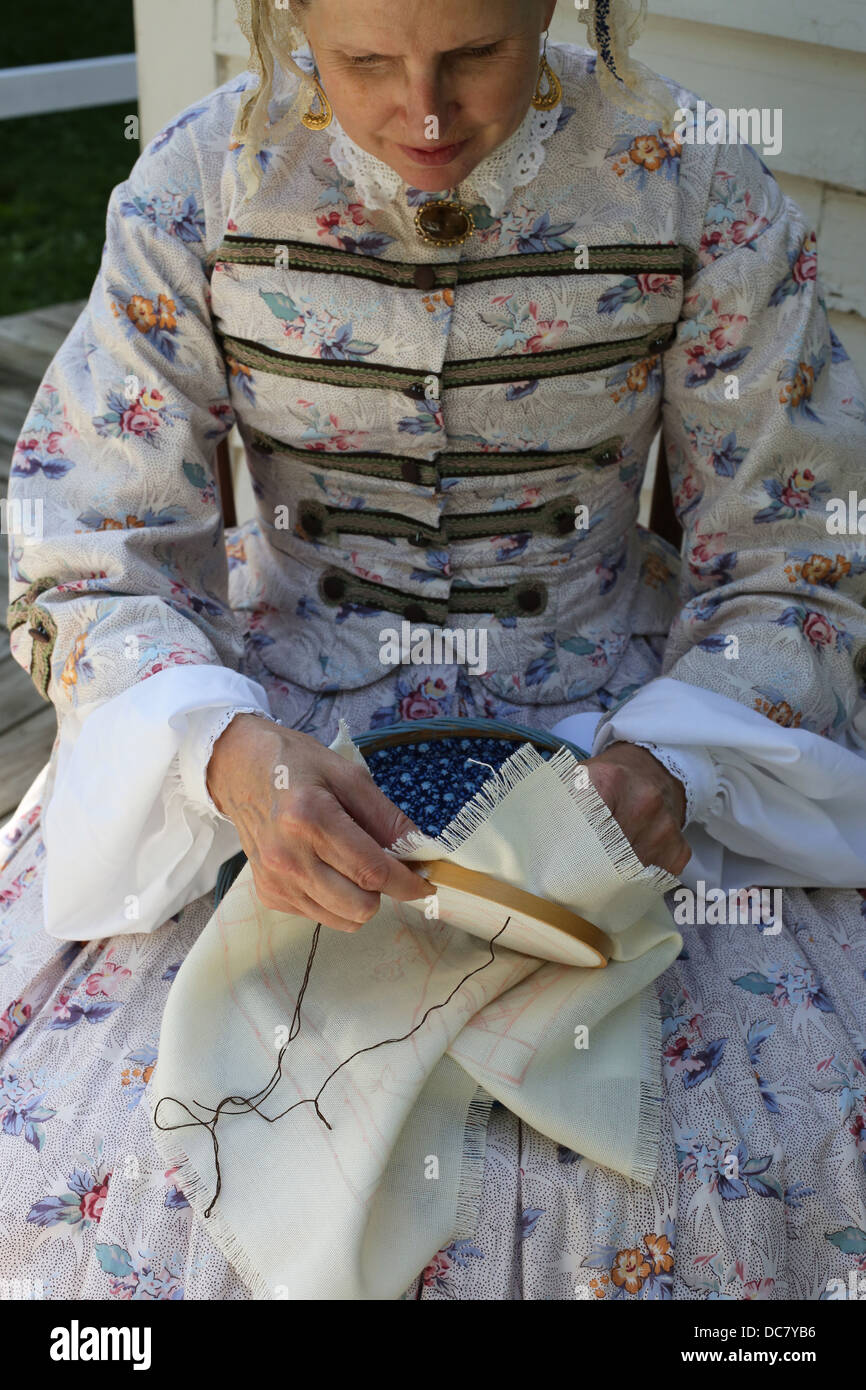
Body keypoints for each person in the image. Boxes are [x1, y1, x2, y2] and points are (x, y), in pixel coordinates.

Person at [2, 0, 865, 1301]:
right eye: (362, 62)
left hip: (614, 718)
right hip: (279, 737)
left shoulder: (692, 181)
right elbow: (86, 538)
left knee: (742, 1165)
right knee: (104, 1182)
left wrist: (681, 759)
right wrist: (221, 753)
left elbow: (797, 543)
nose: (422, 113)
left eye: (474, 55)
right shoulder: (202, 184)